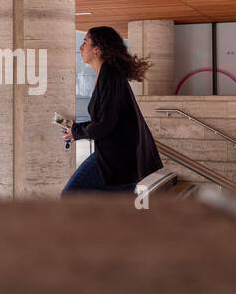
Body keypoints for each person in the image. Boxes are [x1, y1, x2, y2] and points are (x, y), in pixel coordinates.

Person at [61, 26, 162, 194]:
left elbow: (105, 124)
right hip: (119, 157)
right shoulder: (107, 74)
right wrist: (76, 130)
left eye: (85, 42)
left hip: (118, 159)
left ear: (97, 50)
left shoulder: (109, 75)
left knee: (71, 194)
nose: (80, 47)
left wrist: (77, 132)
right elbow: (107, 118)